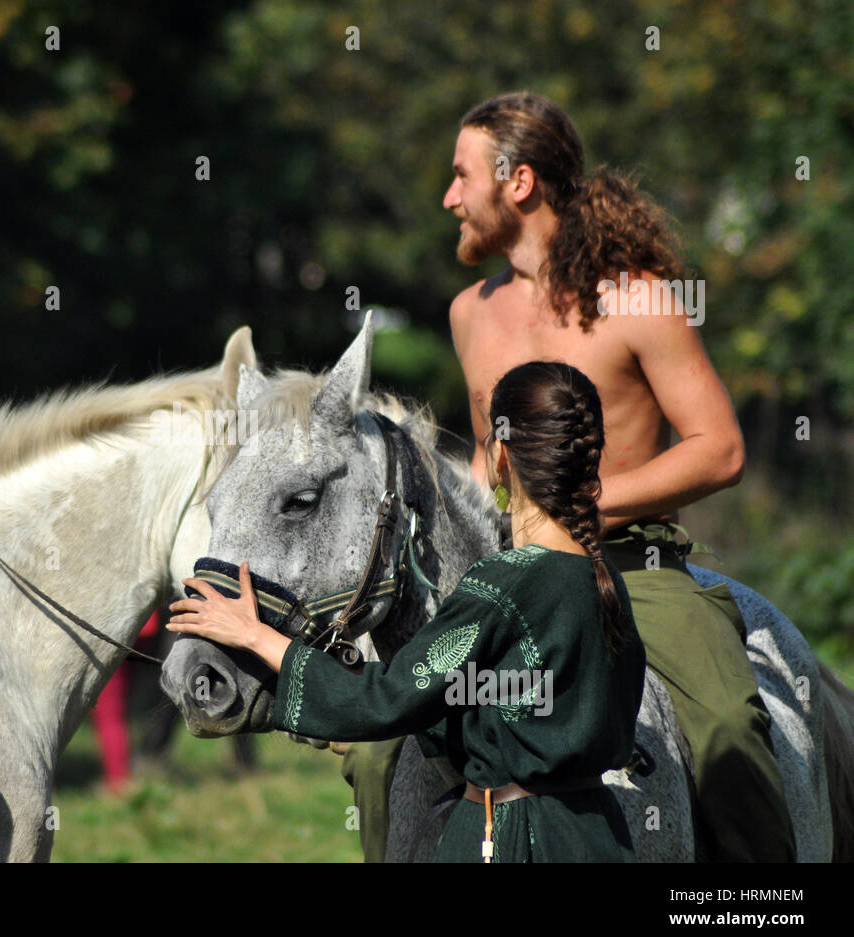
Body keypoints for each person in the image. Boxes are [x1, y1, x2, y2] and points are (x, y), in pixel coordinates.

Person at [345, 91, 795, 863]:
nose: (449, 197)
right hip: (506, 574)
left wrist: (576, 510)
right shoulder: (468, 313)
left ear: (518, 183)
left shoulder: (639, 300)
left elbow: (718, 447)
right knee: (381, 749)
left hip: (631, 567)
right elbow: (489, 465)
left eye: (461, 176)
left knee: (725, 726)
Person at [169, 362, 647, 861]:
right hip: (598, 836)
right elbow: (516, 710)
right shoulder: (604, 580)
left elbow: (389, 698)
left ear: (500, 456)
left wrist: (256, 637)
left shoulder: (503, 585)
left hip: (508, 837)